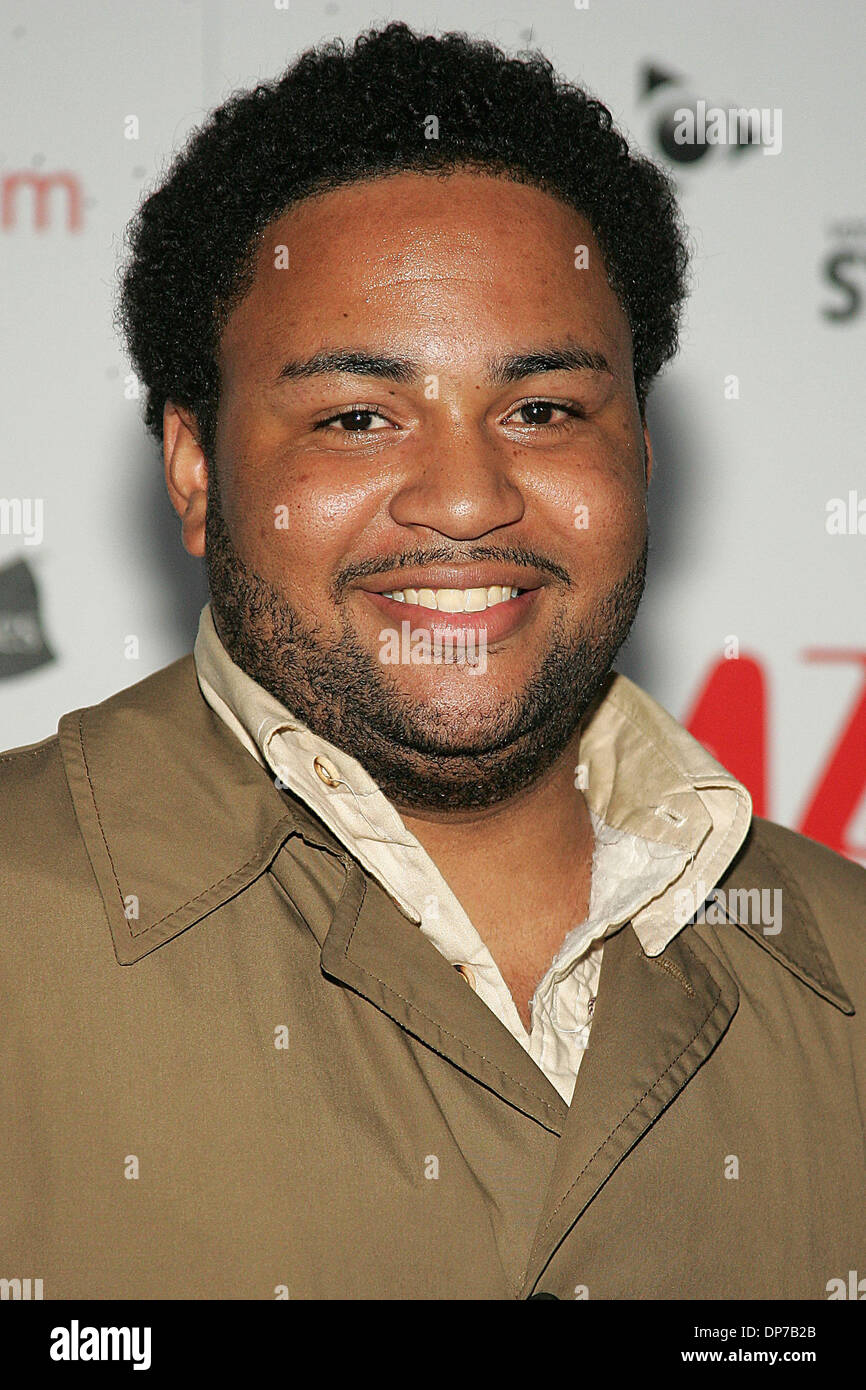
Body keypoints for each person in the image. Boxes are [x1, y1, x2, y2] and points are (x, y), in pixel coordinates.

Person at [1, 21, 863, 1301]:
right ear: (194, 471)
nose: (465, 499)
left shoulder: (843, 965)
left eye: (541, 410)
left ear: (641, 453)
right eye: (356, 417)